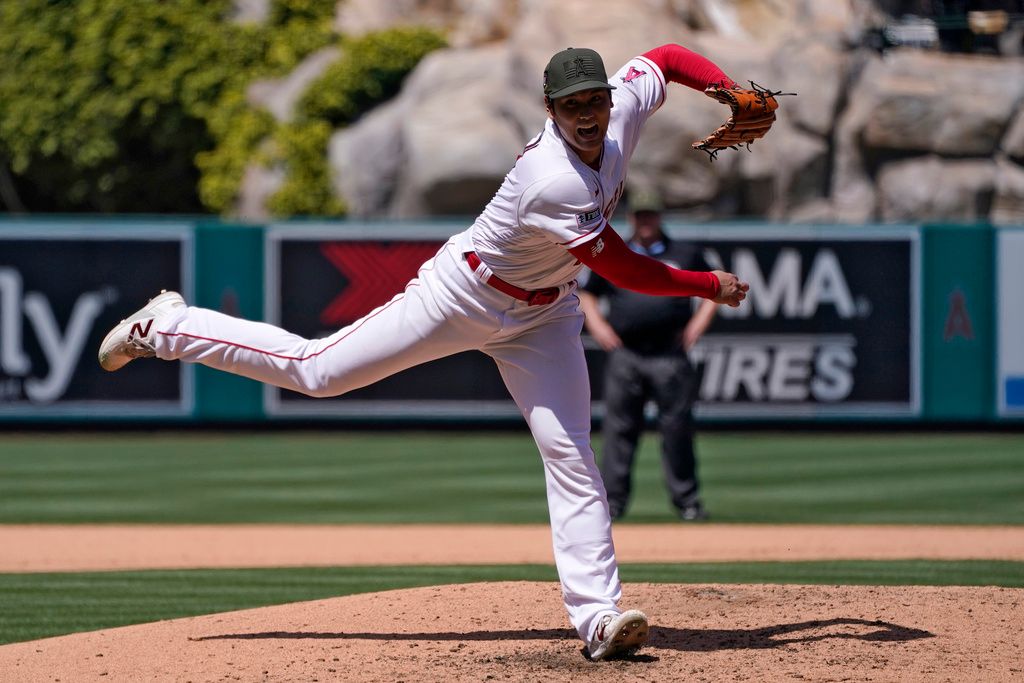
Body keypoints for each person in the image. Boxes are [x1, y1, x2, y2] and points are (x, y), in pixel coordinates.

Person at [98, 43, 751, 661]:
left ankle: (599, 618)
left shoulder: (623, 113)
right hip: (463, 294)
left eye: (594, 101)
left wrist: (730, 91)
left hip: (544, 314)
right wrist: (705, 285)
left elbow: (665, 58)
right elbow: (628, 268)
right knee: (317, 370)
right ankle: (169, 326)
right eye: (571, 105)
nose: (586, 115)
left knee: (571, 450)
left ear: (610, 98)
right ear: (550, 111)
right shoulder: (554, 178)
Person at [578, 190, 717, 523]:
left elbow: (712, 287)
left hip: (670, 352)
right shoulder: (616, 251)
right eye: (640, 215)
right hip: (627, 353)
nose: (645, 221)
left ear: (660, 216)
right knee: (619, 430)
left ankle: (687, 502)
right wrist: (599, 327)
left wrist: (697, 325)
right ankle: (614, 503)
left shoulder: (683, 253)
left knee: (677, 430)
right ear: (631, 218)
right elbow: (587, 293)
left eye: (651, 215)